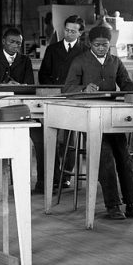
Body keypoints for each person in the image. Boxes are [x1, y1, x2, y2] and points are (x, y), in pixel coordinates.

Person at [63, 24, 133, 220]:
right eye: (97, 45)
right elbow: (68, 88)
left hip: (112, 116)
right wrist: (84, 90)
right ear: (89, 43)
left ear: (110, 44)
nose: (101, 48)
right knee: (105, 158)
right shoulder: (79, 61)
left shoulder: (115, 61)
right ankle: (113, 206)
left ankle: (132, 204)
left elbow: (125, 83)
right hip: (90, 117)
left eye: (105, 45)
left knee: (125, 158)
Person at [0, 27, 44, 194]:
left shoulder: (25, 61)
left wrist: (20, 86)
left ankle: (42, 181)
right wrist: (4, 87)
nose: (16, 45)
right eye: (12, 42)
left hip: (21, 108)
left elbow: (30, 87)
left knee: (40, 137)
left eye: (19, 43)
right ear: (3, 42)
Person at [38, 15, 87, 189]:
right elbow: (43, 73)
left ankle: (66, 175)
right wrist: (52, 90)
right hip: (54, 96)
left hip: (74, 97)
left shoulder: (85, 50)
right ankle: (54, 175)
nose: (68, 34)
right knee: (51, 137)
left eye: (73, 31)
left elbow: (86, 77)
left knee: (69, 139)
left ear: (80, 33)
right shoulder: (52, 49)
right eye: (66, 30)